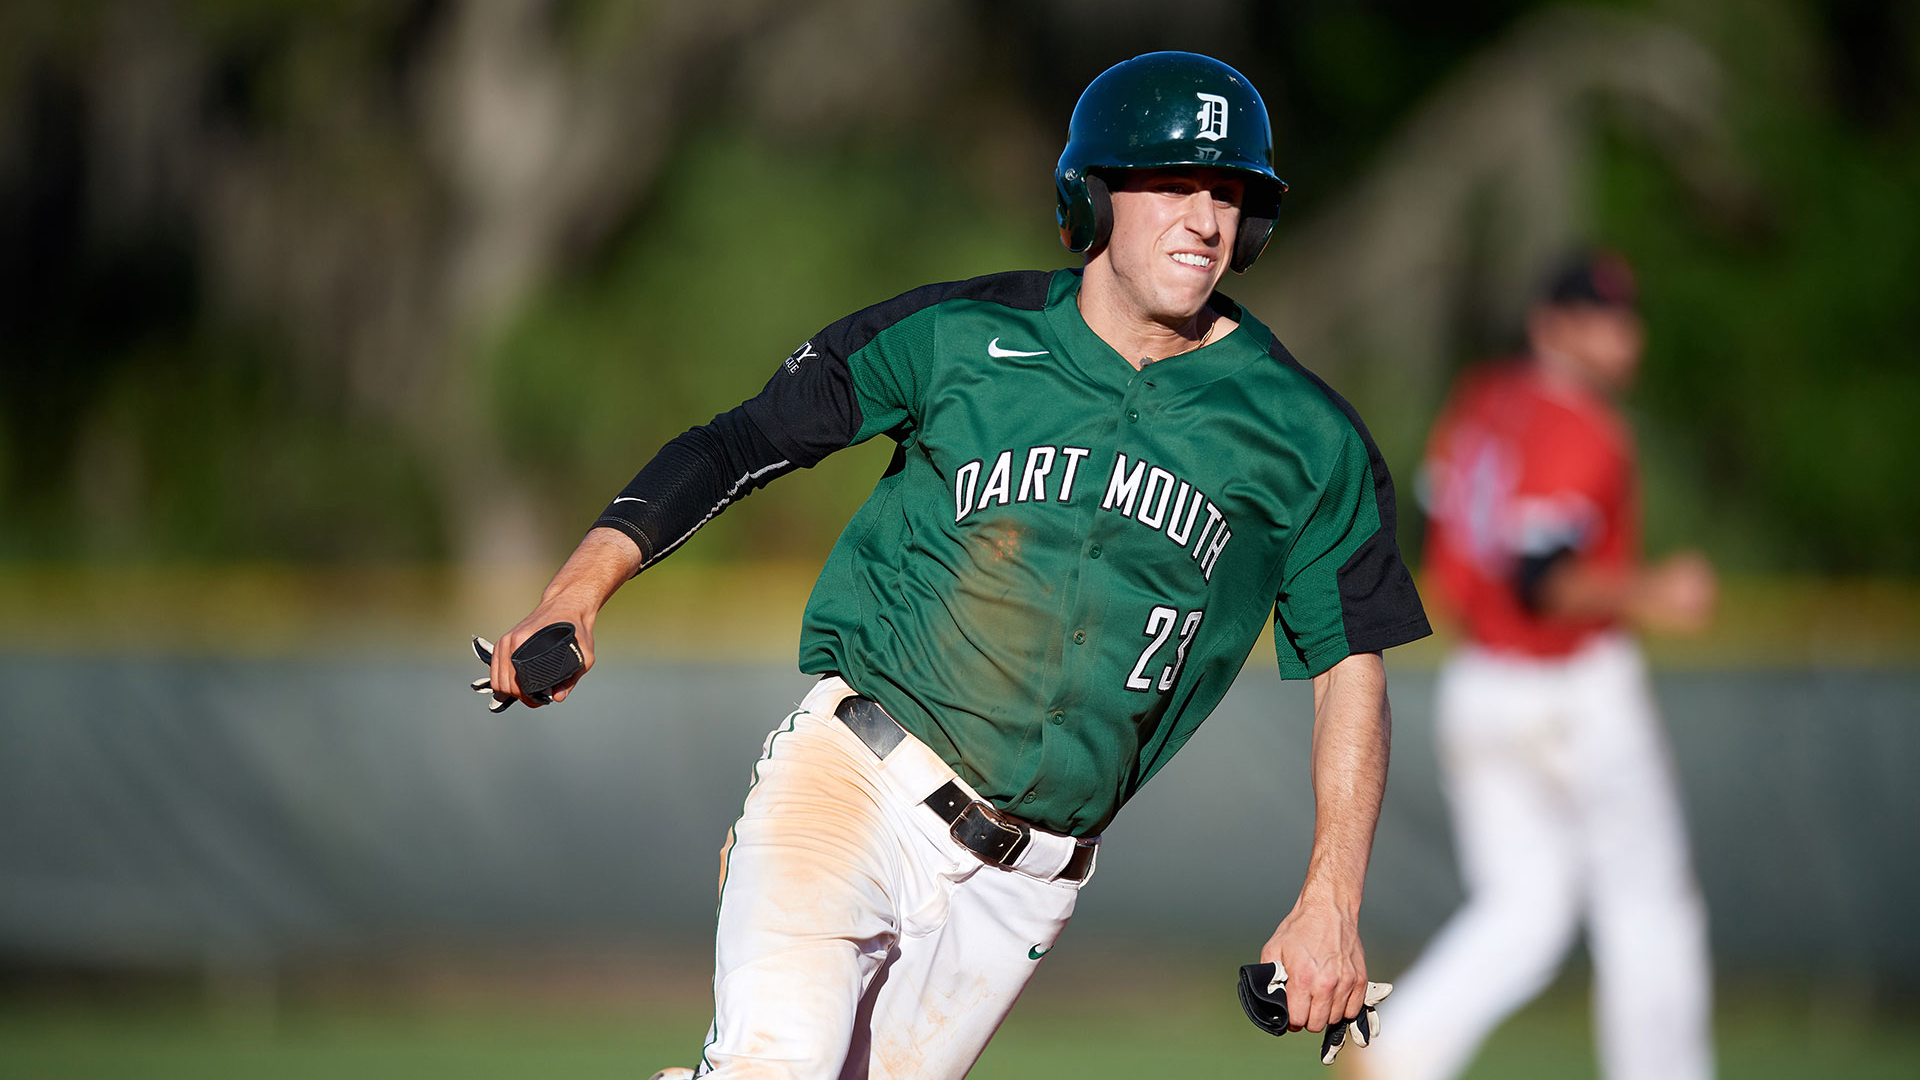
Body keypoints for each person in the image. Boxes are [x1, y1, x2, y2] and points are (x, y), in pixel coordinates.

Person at [483, 52, 1430, 1080]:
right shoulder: (961, 337)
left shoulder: (1304, 434)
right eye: (1168, 183)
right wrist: (575, 594)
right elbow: (736, 443)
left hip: (1026, 887)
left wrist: (1332, 898)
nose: (1203, 217)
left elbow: (1352, 669)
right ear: (1093, 197)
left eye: (1229, 190)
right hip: (859, 784)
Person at [1359, 253, 1715, 1080]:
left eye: (1626, 318)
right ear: (1550, 325)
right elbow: (1541, 576)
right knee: (1649, 908)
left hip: (1480, 685)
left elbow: (1442, 529)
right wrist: (1653, 590)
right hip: (1573, 689)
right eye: (1598, 318)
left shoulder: (1481, 400)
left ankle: (1403, 1049)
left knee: (1525, 910)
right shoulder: (1583, 426)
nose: (1622, 336)